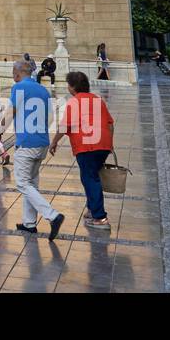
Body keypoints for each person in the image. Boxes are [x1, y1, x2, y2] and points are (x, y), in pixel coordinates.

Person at [8, 57, 64, 240]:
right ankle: (29, 223)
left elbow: (10, 113)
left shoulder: (18, 88)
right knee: (31, 183)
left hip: (26, 143)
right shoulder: (43, 90)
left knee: (23, 183)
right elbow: (50, 118)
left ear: (18, 73)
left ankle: (52, 215)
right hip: (42, 142)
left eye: (13, 74)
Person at [50, 71, 114, 229]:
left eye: (68, 84)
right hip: (103, 145)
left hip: (87, 146)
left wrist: (54, 142)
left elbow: (65, 126)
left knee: (90, 178)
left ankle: (100, 218)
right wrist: (110, 143)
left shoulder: (74, 102)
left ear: (73, 87)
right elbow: (110, 124)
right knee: (91, 176)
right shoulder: (98, 100)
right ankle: (92, 210)